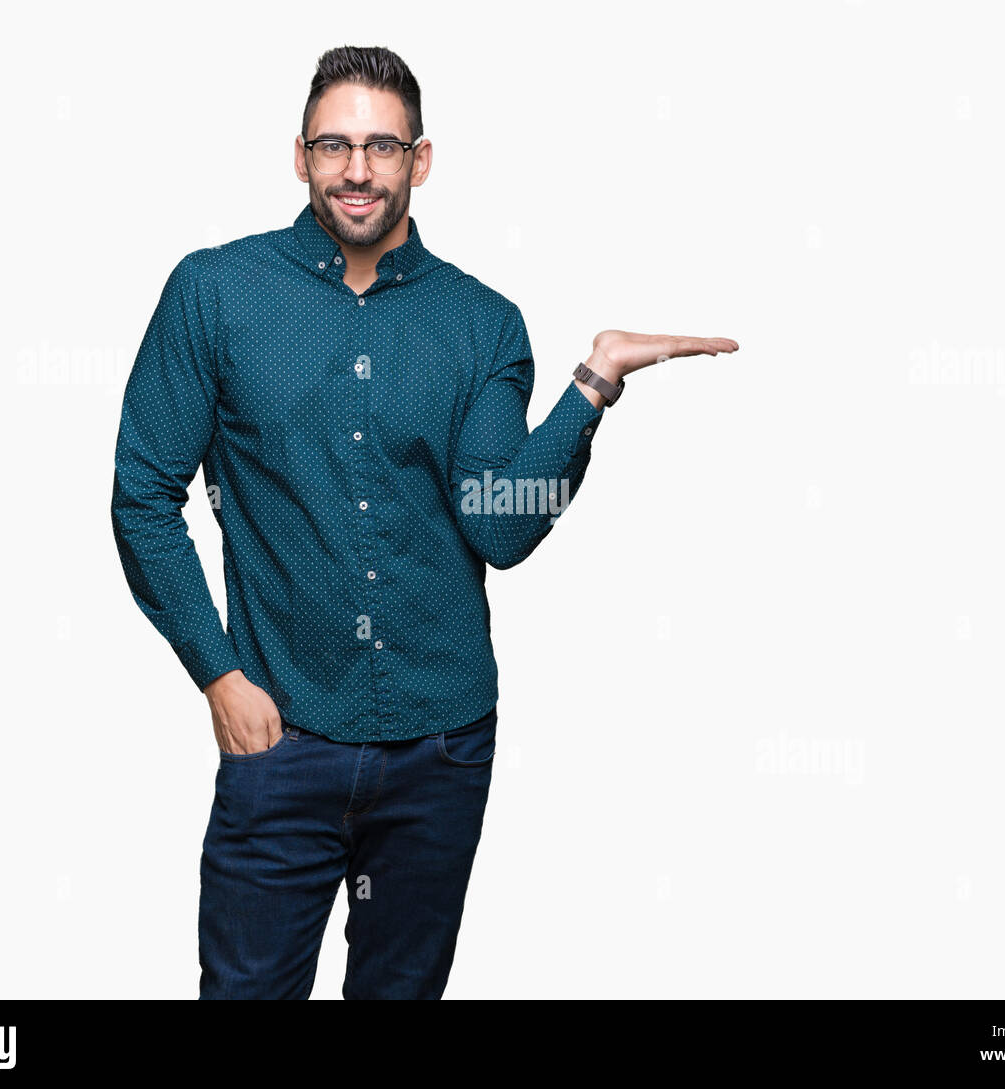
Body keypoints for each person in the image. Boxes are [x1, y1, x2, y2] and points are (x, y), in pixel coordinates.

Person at [110, 44, 737, 999]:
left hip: (441, 748)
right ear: (299, 155)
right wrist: (219, 673)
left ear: (421, 159)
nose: (357, 169)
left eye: (381, 146)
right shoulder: (215, 293)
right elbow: (142, 495)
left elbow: (501, 525)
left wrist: (592, 387)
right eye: (335, 145)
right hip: (280, 733)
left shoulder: (483, 323)